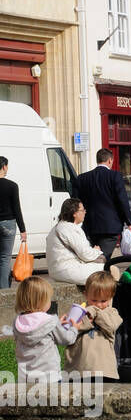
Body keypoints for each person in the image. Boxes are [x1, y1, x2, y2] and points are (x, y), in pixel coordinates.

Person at [12, 275, 77, 381]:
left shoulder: (17, 321)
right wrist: (74, 328)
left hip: (26, 378)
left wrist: (56, 325)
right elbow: (67, 339)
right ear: (42, 301)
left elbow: (37, 327)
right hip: (50, 377)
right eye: (48, 299)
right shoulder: (50, 321)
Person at [75, 148, 131, 262]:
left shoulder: (82, 178)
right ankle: (99, 278)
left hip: (89, 226)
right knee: (101, 261)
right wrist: (129, 222)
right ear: (110, 160)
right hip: (110, 227)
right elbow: (122, 201)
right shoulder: (114, 176)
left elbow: (75, 201)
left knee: (92, 258)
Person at [65, 270, 122, 380]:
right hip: (78, 369)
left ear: (111, 296)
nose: (99, 305)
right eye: (94, 300)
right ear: (85, 294)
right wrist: (84, 321)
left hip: (104, 369)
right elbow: (68, 334)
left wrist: (94, 311)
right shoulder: (79, 312)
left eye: (104, 301)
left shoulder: (112, 313)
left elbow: (110, 326)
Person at [45, 198, 107, 285]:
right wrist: (96, 250)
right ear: (74, 213)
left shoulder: (58, 227)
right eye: (82, 210)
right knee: (108, 270)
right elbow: (85, 254)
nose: (85, 212)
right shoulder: (70, 228)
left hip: (57, 270)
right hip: (68, 270)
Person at [0, 155, 27, 289]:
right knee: (5, 258)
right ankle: (4, 289)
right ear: (4, 167)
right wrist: (23, 229)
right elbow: (17, 209)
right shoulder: (12, 186)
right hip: (8, 224)